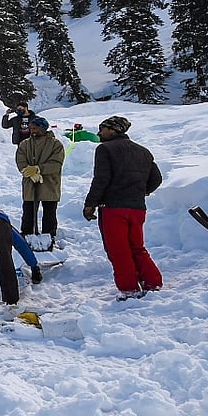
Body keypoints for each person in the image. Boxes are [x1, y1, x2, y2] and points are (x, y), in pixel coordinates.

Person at [83, 115, 163, 300]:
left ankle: (129, 289)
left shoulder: (105, 149)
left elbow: (101, 179)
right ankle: (153, 282)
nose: (99, 132)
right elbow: (156, 179)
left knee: (118, 249)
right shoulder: (143, 151)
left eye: (102, 129)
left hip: (112, 207)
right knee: (137, 246)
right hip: (137, 208)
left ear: (113, 130)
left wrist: (90, 204)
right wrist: (140, 192)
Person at [16, 116, 65, 250]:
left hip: (49, 183)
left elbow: (56, 164)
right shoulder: (25, 144)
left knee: (49, 212)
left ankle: (49, 236)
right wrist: (28, 171)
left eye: (35, 128)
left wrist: (39, 169)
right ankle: (27, 235)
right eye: (31, 128)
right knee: (28, 212)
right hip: (30, 184)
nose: (33, 130)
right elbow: (20, 160)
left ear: (43, 128)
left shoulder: (56, 145)